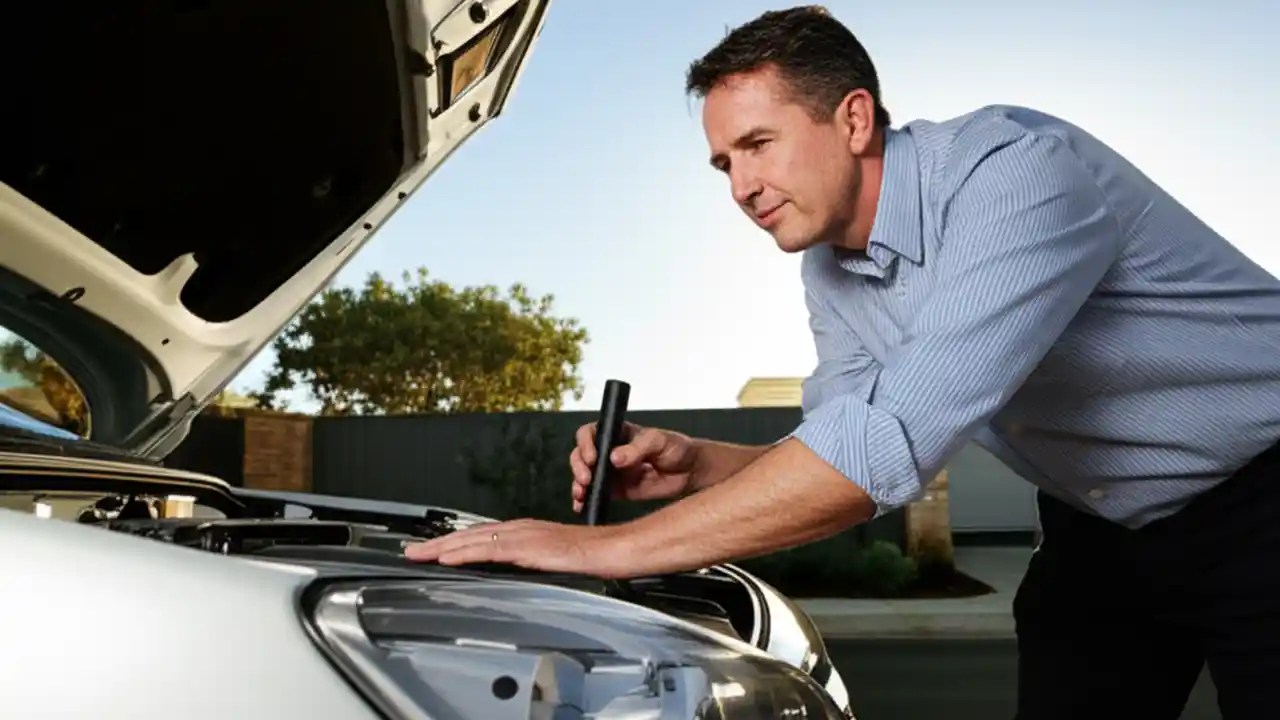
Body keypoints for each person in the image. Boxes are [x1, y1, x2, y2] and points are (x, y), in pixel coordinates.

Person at [404, 5, 1280, 717]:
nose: (740, 187)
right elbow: (840, 445)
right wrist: (701, 466)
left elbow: (880, 453)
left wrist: (601, 552)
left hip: (1264, 495)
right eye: (721, 163)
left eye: (757, 145)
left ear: (853, 117)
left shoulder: (1018, 175)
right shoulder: (832, 264)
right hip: (1102, 534)